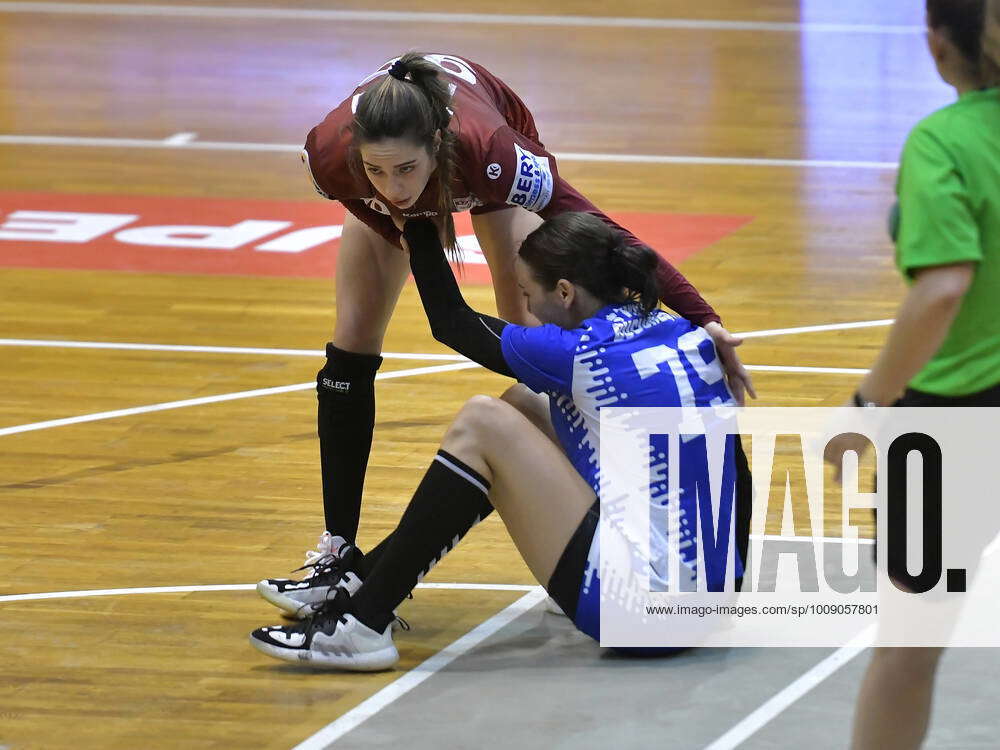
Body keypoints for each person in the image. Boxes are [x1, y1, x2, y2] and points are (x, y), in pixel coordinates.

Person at [260, 51, 756, 605]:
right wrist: (412, 225)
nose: (394, 186)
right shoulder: (329, 157)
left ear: (437, 148)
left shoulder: (494, 154)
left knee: (529, 363)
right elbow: (383, 202)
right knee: (351, 338)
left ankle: (600, 534)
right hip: (416, 177)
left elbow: (600, 232)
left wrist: (704, 316)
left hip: (486, 161)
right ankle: (338, 555)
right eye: (377, 170)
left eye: (405, 170)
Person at [249, 212, 752, 669]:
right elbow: (737, 469)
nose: (525, 309)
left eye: (528, 295)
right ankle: (362, 583)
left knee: (482, 423)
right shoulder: (682, 330)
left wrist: (419, 221)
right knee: (523, 404)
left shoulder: (579, 351)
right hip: (709, 601)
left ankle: (360, 627)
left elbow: (451, 321)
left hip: (640, 616)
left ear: (564, 291)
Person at [824, 1, 1000, 746]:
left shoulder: (944, 143)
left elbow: (944, 288)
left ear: (936, 45)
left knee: (908, 648)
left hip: (955, 420)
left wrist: (867, 408)